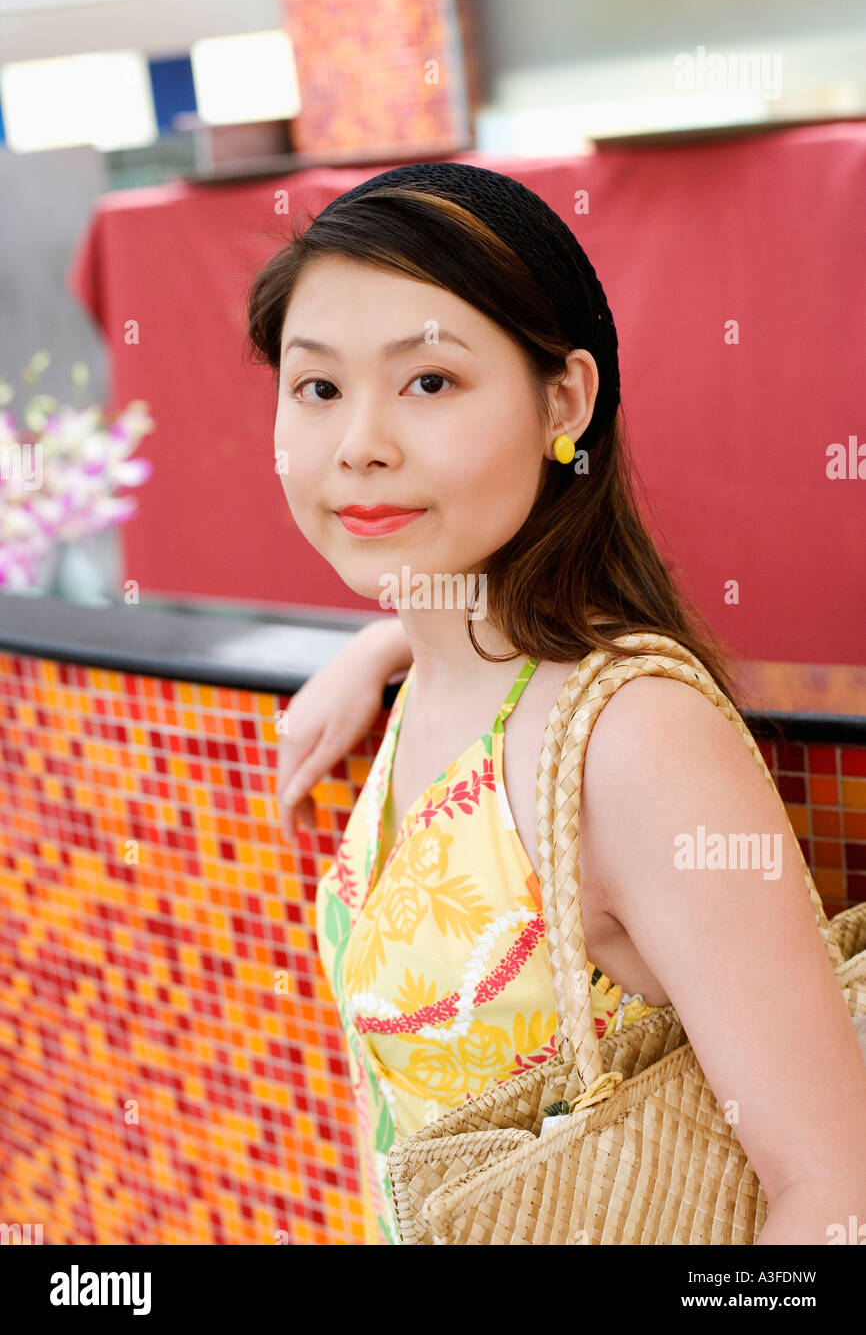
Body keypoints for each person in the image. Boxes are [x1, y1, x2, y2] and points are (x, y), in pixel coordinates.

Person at [245, 161, 866, 1245]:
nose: (358, 444)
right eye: (318, 387)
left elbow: (837, 1193)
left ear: (562, 401)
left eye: (428, 382)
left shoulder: (632, 741)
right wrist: (380, 644)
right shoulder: (448, 661)